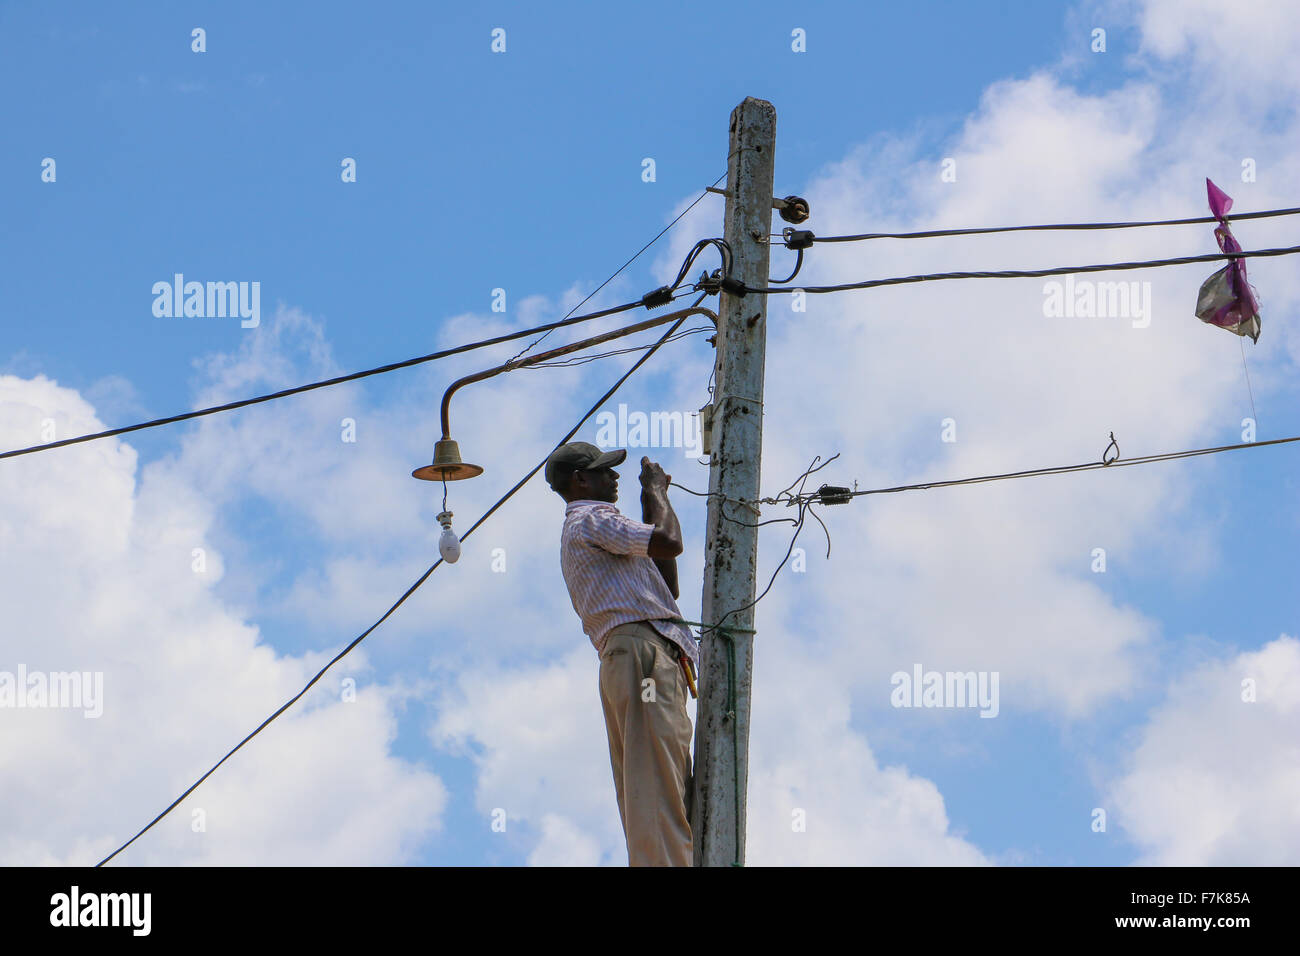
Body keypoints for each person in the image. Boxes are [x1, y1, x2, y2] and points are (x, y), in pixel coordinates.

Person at [545, 441, 698, 867]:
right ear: (579, 481)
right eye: (603, 471)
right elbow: (669, 542)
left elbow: (668, 585)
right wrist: (656, 493)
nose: (613, 478)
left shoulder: (589, 527)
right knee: (655, 788)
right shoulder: (592, 518)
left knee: (659, 785)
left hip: (633, 655)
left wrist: (652, 501)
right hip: (641, 655)